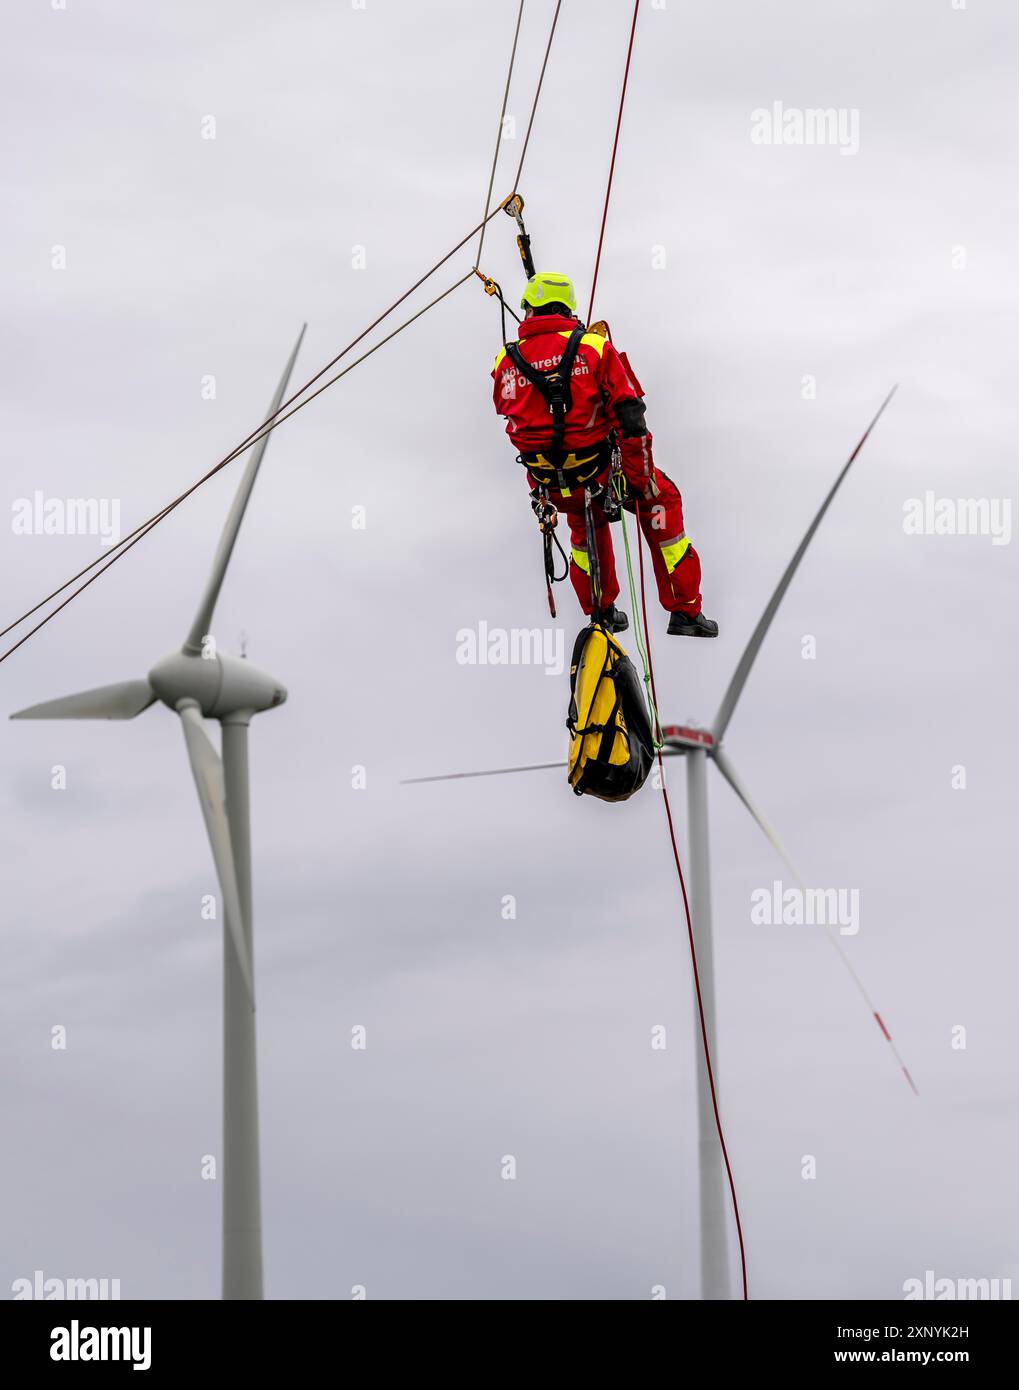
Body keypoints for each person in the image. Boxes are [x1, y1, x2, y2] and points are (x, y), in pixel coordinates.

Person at [492, 271, 718, 637]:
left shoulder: (504, 359)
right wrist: (640, 477)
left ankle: (601, 610)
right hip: (600, 471)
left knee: (584, 525)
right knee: (662, 501)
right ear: (568, 308)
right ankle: (685, 611)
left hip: (553, 485)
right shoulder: (593, 348)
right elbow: (631, 411)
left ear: (529, 310)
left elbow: (510, 414)